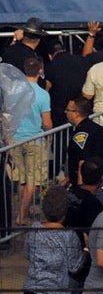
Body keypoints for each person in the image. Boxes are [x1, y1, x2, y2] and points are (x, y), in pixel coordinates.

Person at [22, 185, 86, 294]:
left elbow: (27, 254)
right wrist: (86, 251)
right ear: (65, 211)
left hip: (33, 293)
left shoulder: (34, 229)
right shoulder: (69, 236)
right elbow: (74, 267)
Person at [10, 57, 52, 225]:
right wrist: (50, 134)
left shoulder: (14, 92)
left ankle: (23, 212)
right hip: (35, 140)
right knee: (34, 180)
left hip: (15, 139)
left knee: (22, 179)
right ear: (40, 71)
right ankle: (22, 215)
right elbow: (47, 122)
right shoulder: (42, 94)